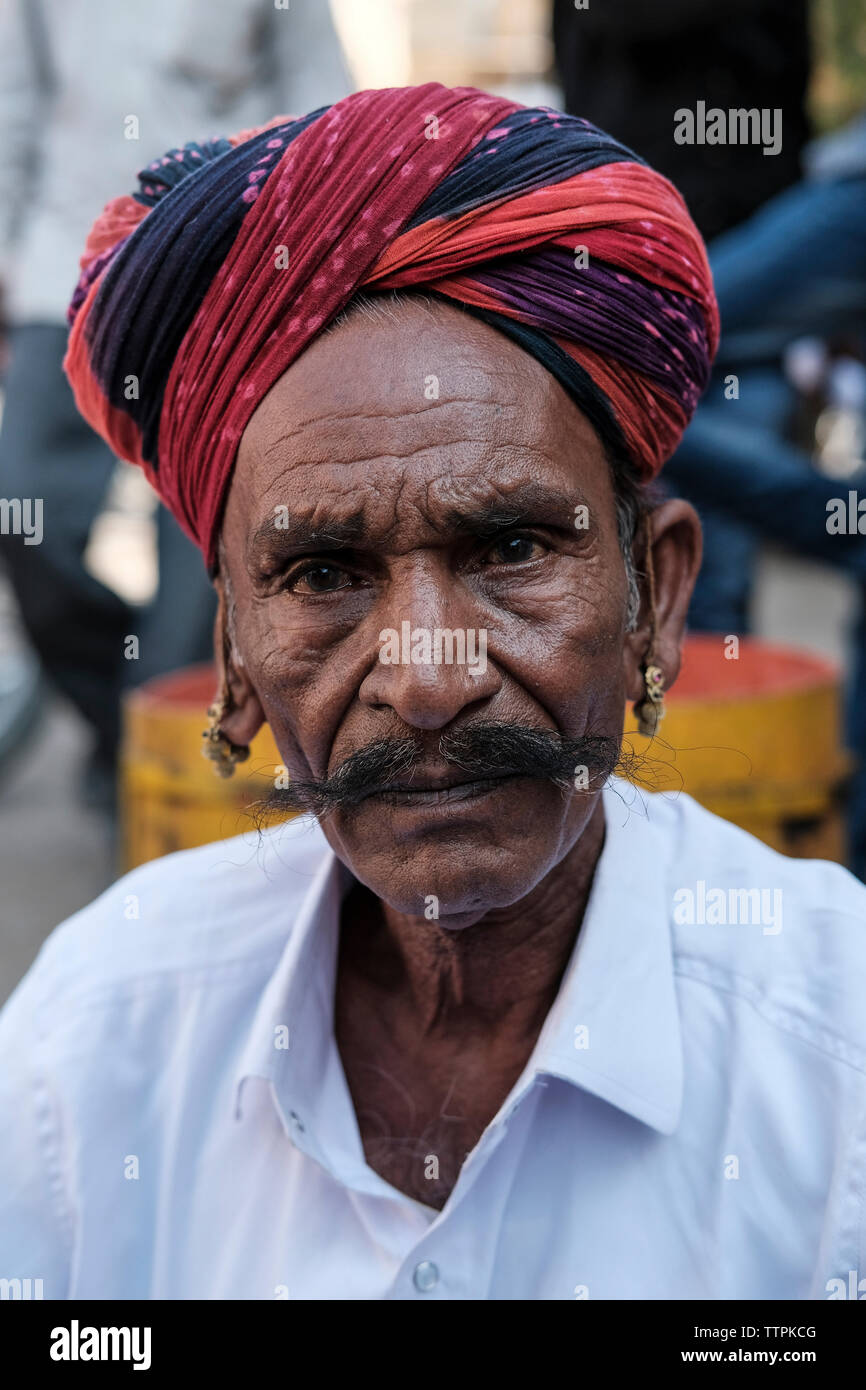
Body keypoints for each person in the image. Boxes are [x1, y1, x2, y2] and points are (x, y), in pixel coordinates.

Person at [1, 85, 864, 1301]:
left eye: (511, 549)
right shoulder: (92, 1041)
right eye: (321, 573)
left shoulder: (835, 1062)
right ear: (236, 656)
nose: (422, 681)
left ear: (653, 604)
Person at [0, 0, 352, 797]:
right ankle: (121, 717)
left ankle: (161, 760)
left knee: (202, 538)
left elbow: (319, 101)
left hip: (222, 280)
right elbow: (10, 103)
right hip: (61, 270)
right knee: (20, 507)